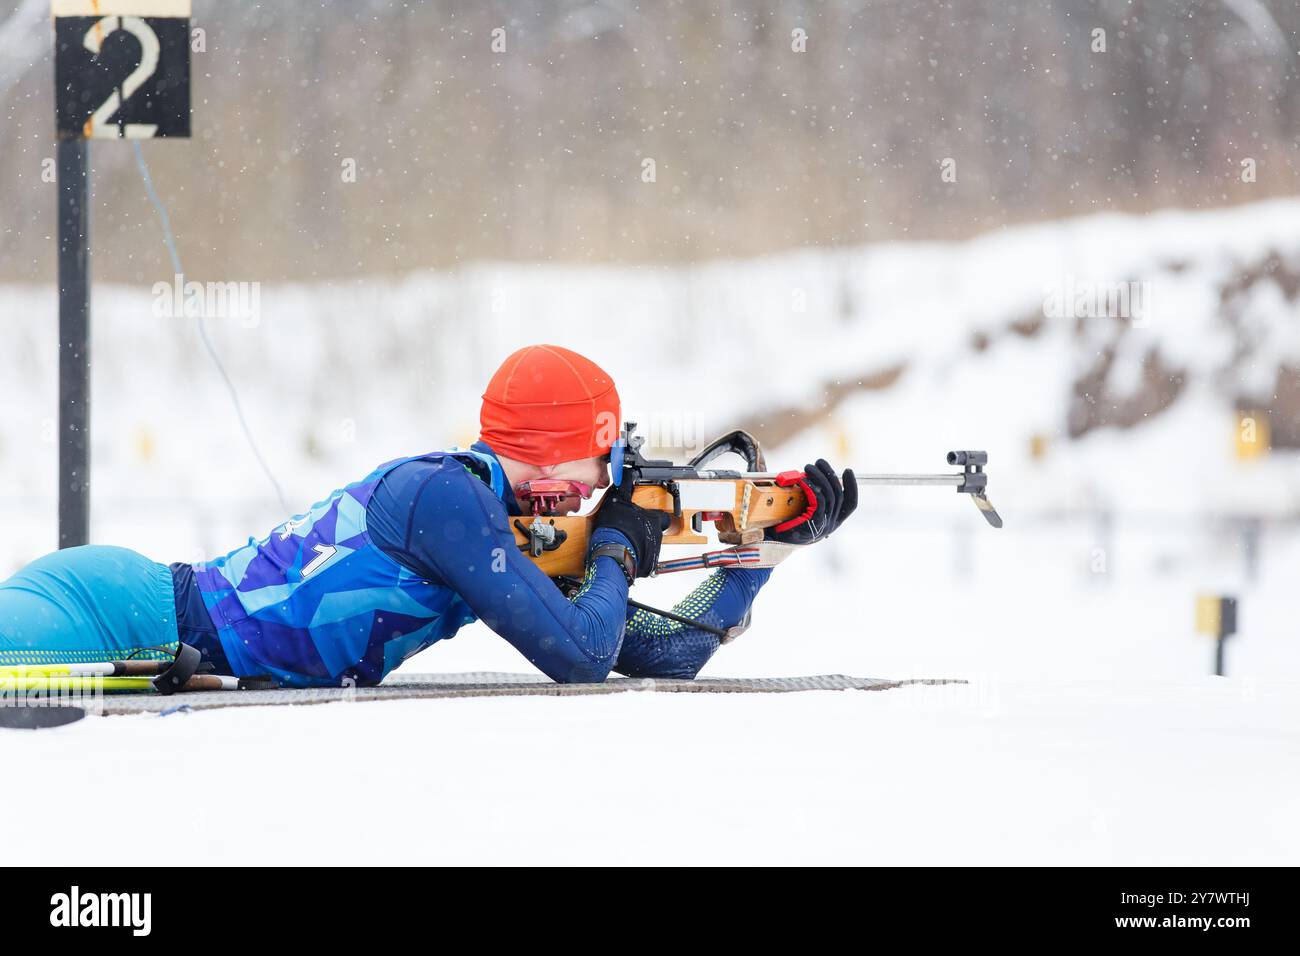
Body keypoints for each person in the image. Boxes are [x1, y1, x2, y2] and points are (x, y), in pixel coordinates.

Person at [0, 345, 855, 686]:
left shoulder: (493, 529)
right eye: (600, 469)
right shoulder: (450, 502)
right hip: (111, 611)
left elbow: (657, 656)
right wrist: (624, 544)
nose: (601, 490)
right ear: (560, 454)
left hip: (148, 635)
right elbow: (582, 655)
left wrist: (759, 555)